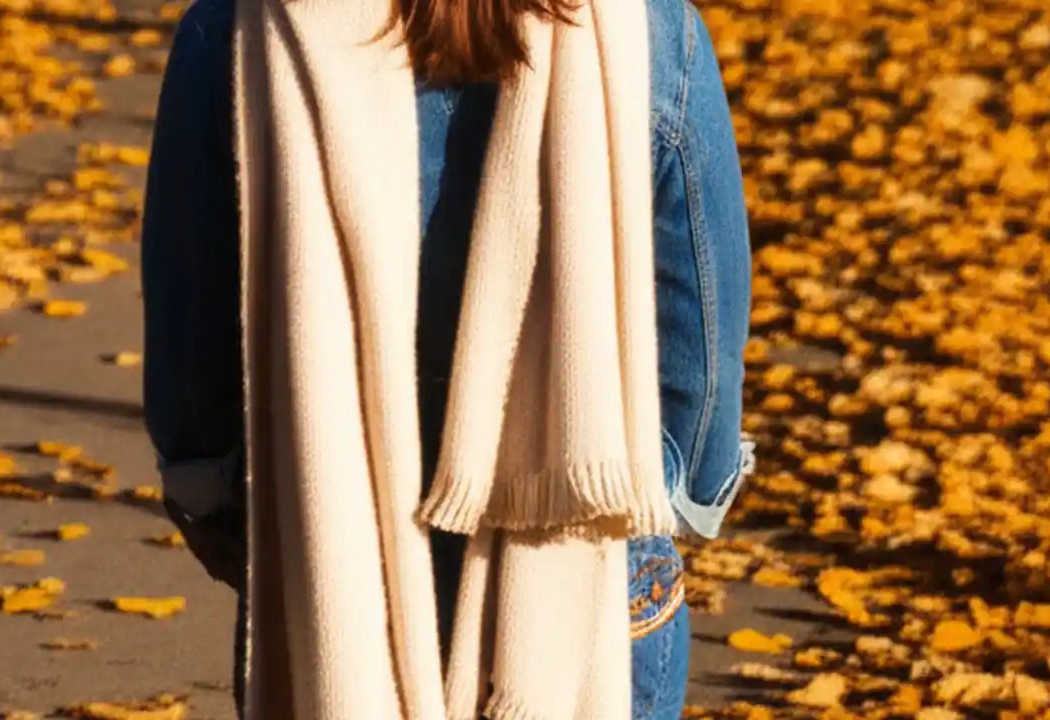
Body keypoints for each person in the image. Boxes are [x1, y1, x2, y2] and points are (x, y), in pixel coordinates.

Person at [141, 0, 751, 716]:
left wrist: (226, 506)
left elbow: (194, 343)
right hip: (587, 588)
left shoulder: (238, 27)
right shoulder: (648, 26)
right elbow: (700, 359)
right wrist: (650, 499)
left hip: (331, 572)